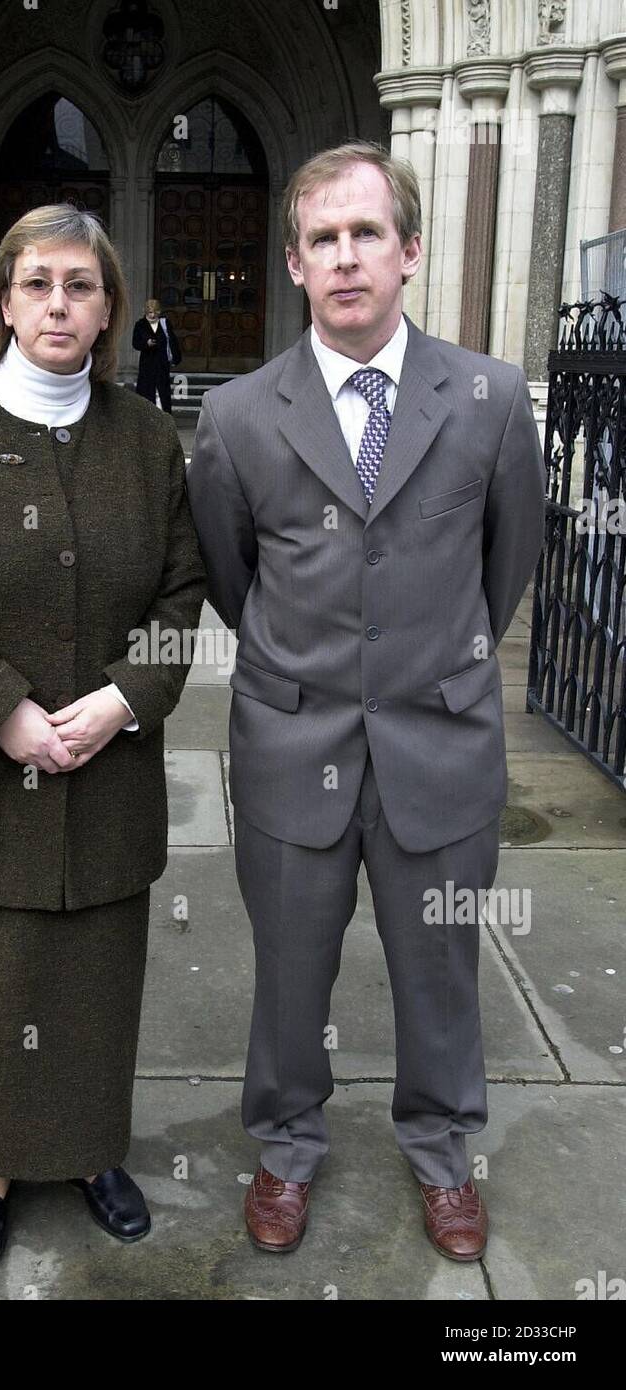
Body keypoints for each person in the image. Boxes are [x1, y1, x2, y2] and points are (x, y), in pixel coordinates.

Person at [186, 141, 546, 1261]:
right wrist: (312, 676)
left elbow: (507, 568)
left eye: (367, 234)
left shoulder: (487, 400)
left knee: (440, 967)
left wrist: (427, 667)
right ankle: (287, 1144)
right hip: (296, 745)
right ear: (294, 264)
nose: (346, 258)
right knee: (292, 971)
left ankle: (444, 1151)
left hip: (441, 748)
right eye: (322, 239)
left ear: (411, 250)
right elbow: (233, 580)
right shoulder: (240, 416)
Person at [0, 204, 207, 1271]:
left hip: (107, 770)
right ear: (3, 300)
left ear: (110, 309)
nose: (59, 303)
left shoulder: (147, 438)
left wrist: (122, 698)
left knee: (97, 967)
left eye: (82, 285)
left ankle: (92, 1147)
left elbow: (183, 592)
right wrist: (2, 710)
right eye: (37, 283)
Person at [133, 298, 181, 411]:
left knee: (164, 391)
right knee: (146, 391)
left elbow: (172, 340)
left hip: (161, 362)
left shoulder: (164, 323)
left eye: (155, 312)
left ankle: (165, 416)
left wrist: (175, 358)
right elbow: (135, 343)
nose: (153, 315)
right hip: (147, 363)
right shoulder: (140, 324)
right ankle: (146, 415)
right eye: (150, 312)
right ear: (146, 312)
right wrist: (146, 343)